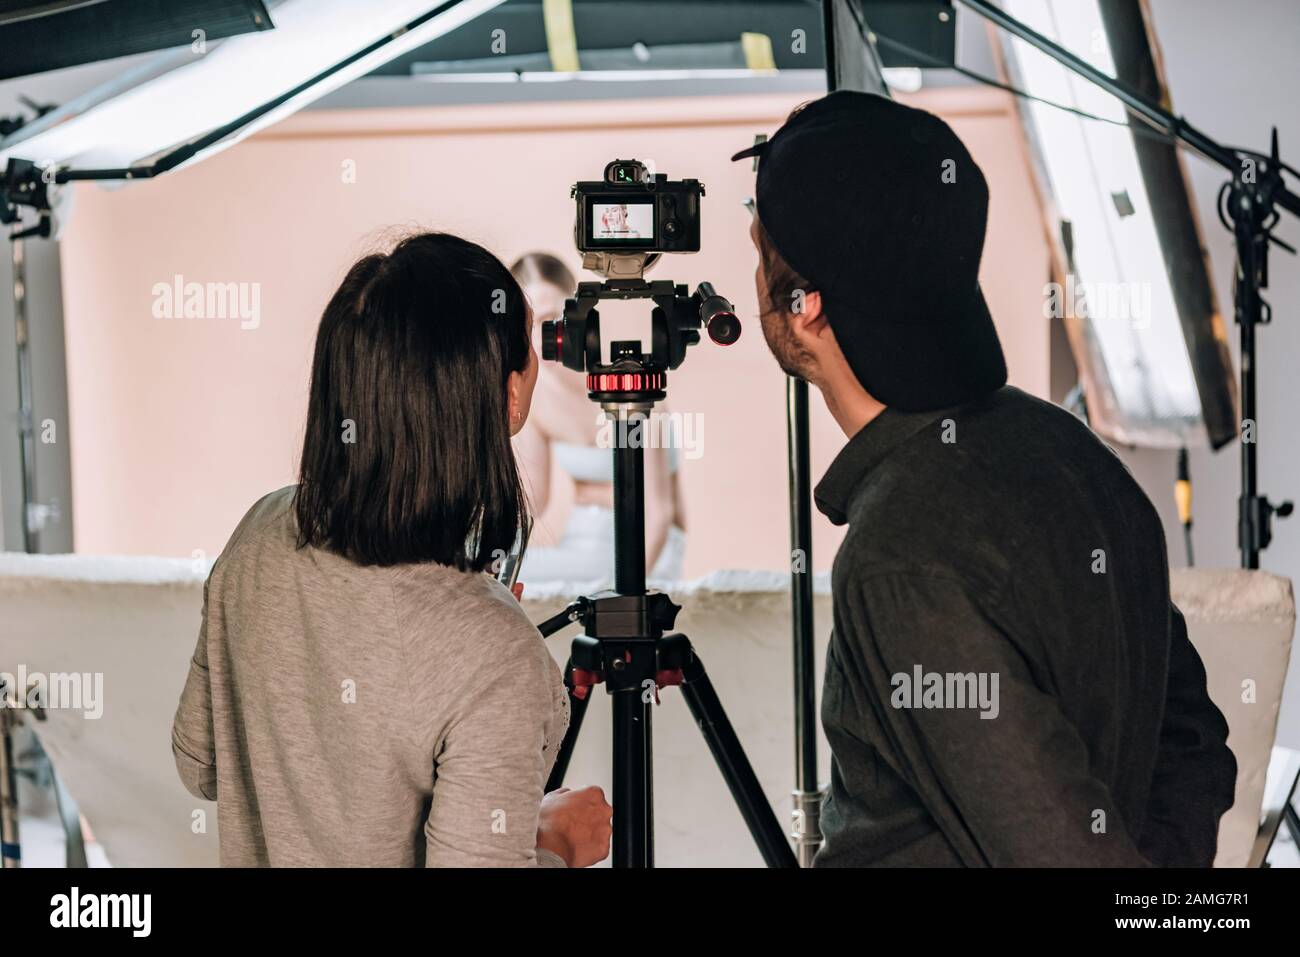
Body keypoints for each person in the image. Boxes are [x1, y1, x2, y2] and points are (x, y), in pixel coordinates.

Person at [734, 91, 1237, 866]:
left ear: (806, 310)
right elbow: (1194, 743)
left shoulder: (904, 556)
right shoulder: (1073, 454)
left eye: (761, 242)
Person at [171, 232, 612, 867]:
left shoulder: (259, 533)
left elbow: (200, 764)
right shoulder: (492, 650)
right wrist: (555, 843)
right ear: (508, 395)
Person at [510, 252, 686, 583]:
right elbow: (531, 503)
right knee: (491, 571)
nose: (540, 339)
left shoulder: (632, 382)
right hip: (579, 543)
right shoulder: (538, 396)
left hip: (648, 544)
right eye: (527, 326)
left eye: (550, 320)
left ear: (577, 314)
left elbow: (659, 514)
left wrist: (626, 593)